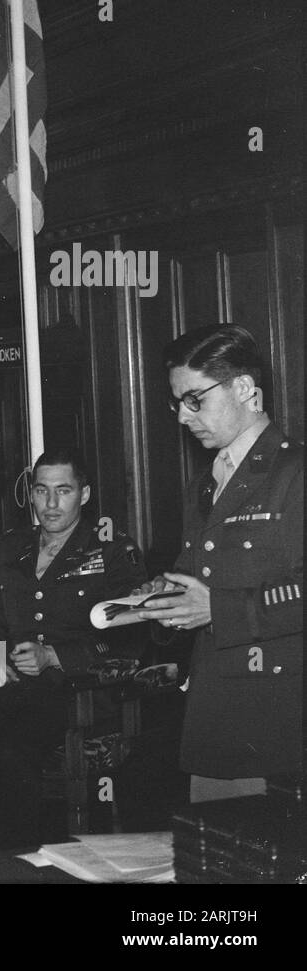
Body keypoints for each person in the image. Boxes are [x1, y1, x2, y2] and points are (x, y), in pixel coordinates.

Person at [133, 323, 302, 802]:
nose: (184, 417)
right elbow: (196, 581)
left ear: (244, 390)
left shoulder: (295, 473)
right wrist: (159, 600)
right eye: (177, 404)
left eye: (195, 400)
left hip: (279, 721)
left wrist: (218, 610)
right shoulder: (207, 483)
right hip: (215, 711)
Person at [0, 448, 148, 853]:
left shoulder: (112, 551)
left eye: (63, 491)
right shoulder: (10, 546)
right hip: (11, 689)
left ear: (83, 494)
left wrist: (55, 656)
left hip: (81, 694)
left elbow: (129, 637)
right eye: (41, 491)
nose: (50, 504)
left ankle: (18, 860)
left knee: (11, 748)